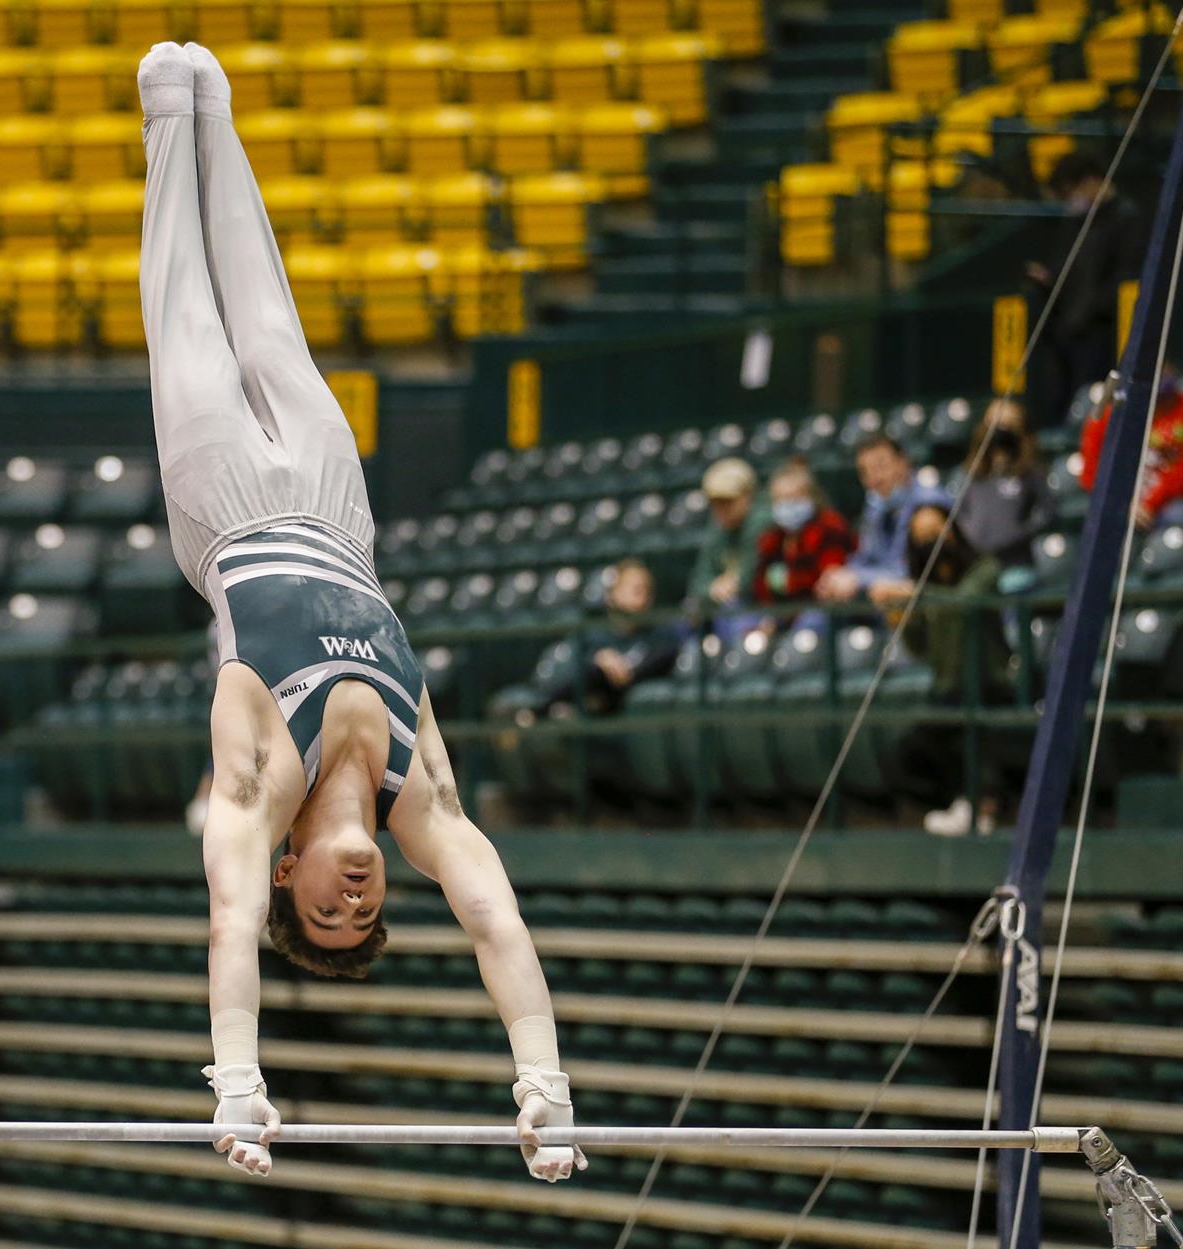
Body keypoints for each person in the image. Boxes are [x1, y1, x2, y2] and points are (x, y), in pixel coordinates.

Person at [136, 43, 585, 1184]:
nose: (353, 898)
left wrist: (237, 1086)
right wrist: (542, 1085)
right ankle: (219, 111)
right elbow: (495, 923)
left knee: (188, 312)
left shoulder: (251, 796)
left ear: (288, 874)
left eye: (328, 916)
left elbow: (226, 932)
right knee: (273, 320)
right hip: (340, 519)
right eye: (366, 914)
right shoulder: (421, 799)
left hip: (228, 515)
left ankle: (170, 116)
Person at [881, 505, 1017, 837]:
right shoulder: (925, 585)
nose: (930, 540)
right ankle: (954, 803)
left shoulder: (984, 568)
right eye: (921, 536)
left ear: (952, 530)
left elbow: (964, 604)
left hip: (990, 679)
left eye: (935, 531)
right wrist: (902, 617)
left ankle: (983, 806)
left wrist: (917, 596)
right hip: (946, 686)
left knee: (969, 730)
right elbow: (921, 649)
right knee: (912, 749)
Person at [1028, 153, 1145, 429]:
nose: (1071, 200)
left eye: (1072, 191)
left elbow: (1126, 275)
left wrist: (1093, 307)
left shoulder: (1126, 217)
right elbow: (1064, 267)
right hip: (1067, 333)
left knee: (1094, 412)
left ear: (1091, 181)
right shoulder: (1075, 222)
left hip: (1103, 332)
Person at [529, 559, 681, 716]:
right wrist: (599, 660)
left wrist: (622, 670)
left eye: (648, 590)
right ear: (612, 593)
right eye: (636, 589)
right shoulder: (592, 635)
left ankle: (537, 713)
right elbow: (564, 675)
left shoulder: (662, 634)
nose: (644, 596)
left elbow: (663, 659)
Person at [816, 435, 949, 613]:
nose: (874, 479)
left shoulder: (930, 506)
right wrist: (839, 574)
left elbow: (909, 572)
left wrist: (856, 578)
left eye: (881, 467)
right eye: (865, 472)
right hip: (886, 601)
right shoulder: (876, 507)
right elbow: (867, 558)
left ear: (904, 463)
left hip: (931, 603)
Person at [1078, 366, 1183, 531]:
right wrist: (1124, 504)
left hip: (1171, 502)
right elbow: (1091, 474)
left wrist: (1150, 504)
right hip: (1123, 504)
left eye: (1164, 368)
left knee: (1180, 516)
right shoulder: (1110, 418)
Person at [751, 459, 854, 630]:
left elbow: (829, 582)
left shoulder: (830, 527)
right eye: (782, 500)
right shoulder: (772, 538)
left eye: (794, 498)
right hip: (780, 612)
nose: (788, 505)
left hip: (821, 610)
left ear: (811, 497)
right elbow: (761, 585)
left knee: (811, 623)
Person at [958, 399, 1054, 576]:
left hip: (1015, 565)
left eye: (1010, 425)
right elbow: (959, 515)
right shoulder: (972, 475)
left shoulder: (1030, 474)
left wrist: (1015, 533)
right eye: (995, 425)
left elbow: (1046, 514)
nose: (1001, 433)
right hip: (976, 564)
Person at [684, 456, 767, 640]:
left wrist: (734, 584)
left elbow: (754, 575)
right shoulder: (716, 529)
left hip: (759, 606)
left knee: (733, 611)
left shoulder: (761, 522)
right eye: (716, 503)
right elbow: (698, 580)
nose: (721, 509)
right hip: (724, 604)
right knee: (689, 613)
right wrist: (712, 588)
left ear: (748, 496)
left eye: (728, 501)